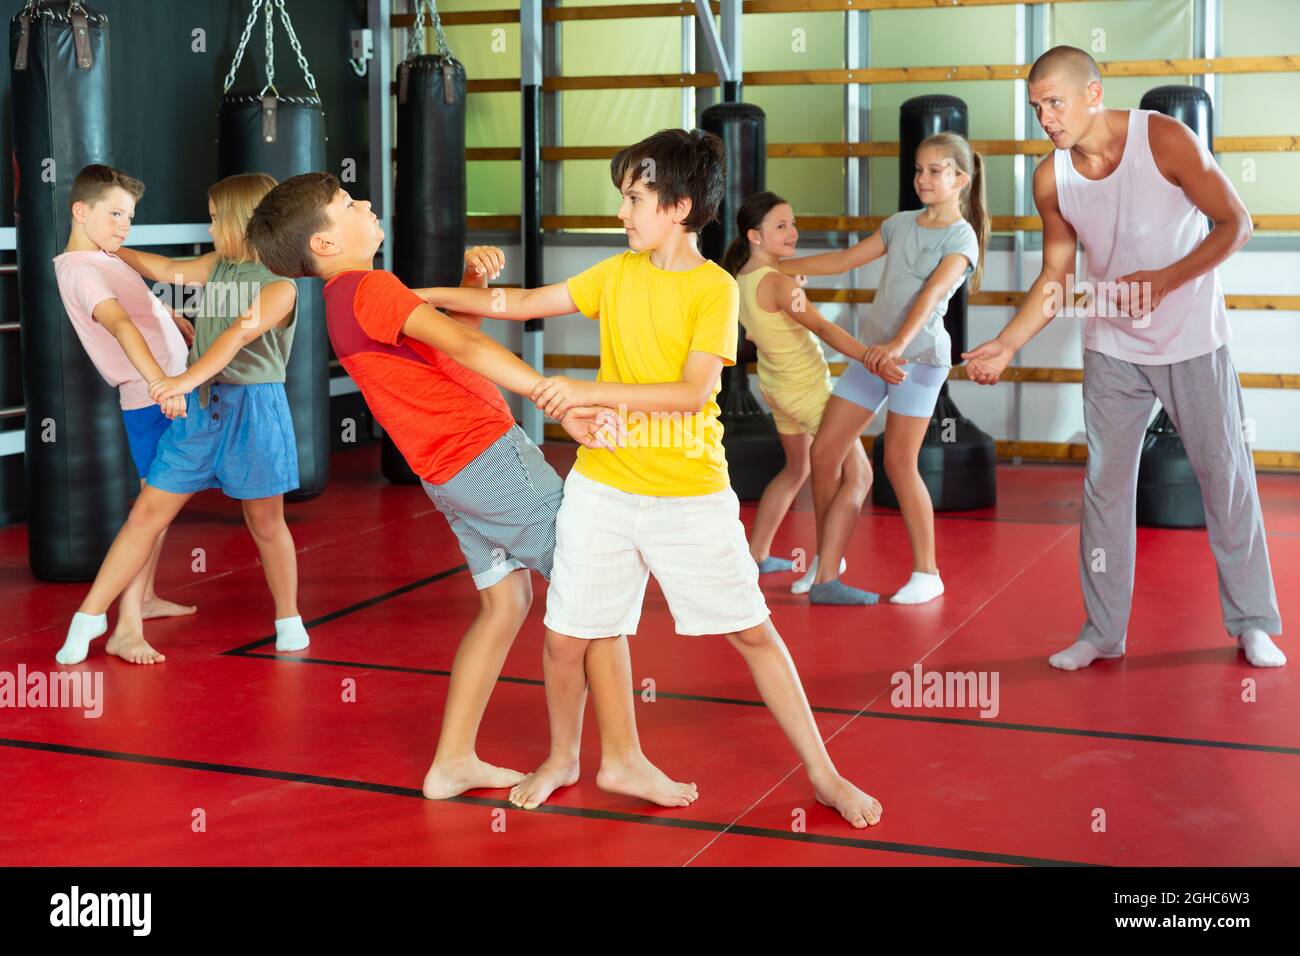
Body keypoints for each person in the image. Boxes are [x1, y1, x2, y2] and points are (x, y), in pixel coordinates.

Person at [424, 129, 883, 828]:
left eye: (635, 198)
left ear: (679, 205)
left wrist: (583, 392)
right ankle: (566, 759)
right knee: (563, 638)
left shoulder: (715, 289)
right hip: (603, 488)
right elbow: (513, 307)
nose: (623, 212)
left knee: (754, 634)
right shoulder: (615, 274)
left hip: (688, 495)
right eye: (624, 198)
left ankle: (824, 774)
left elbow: (692, 393)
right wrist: (404, 295)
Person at [244, 172, 619, 799]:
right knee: (593, 592)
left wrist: (473, 288)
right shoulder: (372, 285)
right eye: (347, 203)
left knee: (506, 606)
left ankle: (452, 762)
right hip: (490, 460)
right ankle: (618, 757)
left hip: (449, 474)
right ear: (327, 245)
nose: (363, 201)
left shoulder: (345, 299)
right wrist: (554, 398)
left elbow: (443, 345)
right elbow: (465, 348)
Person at [961, 45, 1284, 670]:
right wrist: (1009, 341)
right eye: (1036, 107)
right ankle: (1103, 632)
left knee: (1225, 479)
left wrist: (1166, 279)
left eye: (1055, 101)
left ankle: (1252, 623)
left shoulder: (1163, 139)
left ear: (1093, 92)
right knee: (1104, 491)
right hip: (1111, 346)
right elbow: (1057, 274)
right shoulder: (1051, 177)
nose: (1046, 117)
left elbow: (1234, 224)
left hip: (1192, 340)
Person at [778, 134, 985, 606]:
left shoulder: (962, 237)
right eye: (919, 169)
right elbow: (844, 259)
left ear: (960, 180)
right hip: (873, 357)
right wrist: (779, 266)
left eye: (936, 170)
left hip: (918, 361)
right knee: (825, 454)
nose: (923, 178)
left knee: (897, 463)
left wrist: (897, 345)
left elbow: (933, 294)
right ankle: (827, 561)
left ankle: (927, 572)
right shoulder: (899, 224)